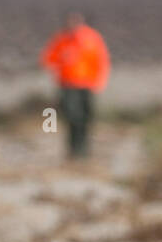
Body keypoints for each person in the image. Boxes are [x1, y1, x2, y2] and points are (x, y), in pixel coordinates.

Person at [40, 12, 110, 158]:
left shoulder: (92, 38)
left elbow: (101, 61)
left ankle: (84, 150)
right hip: (68, 85)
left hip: (88, 84)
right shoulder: (61, 39)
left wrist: (99, 82)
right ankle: (73, 150)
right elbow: (47, 59)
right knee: (72, 116)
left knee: (87, 117)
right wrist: (62, 59)